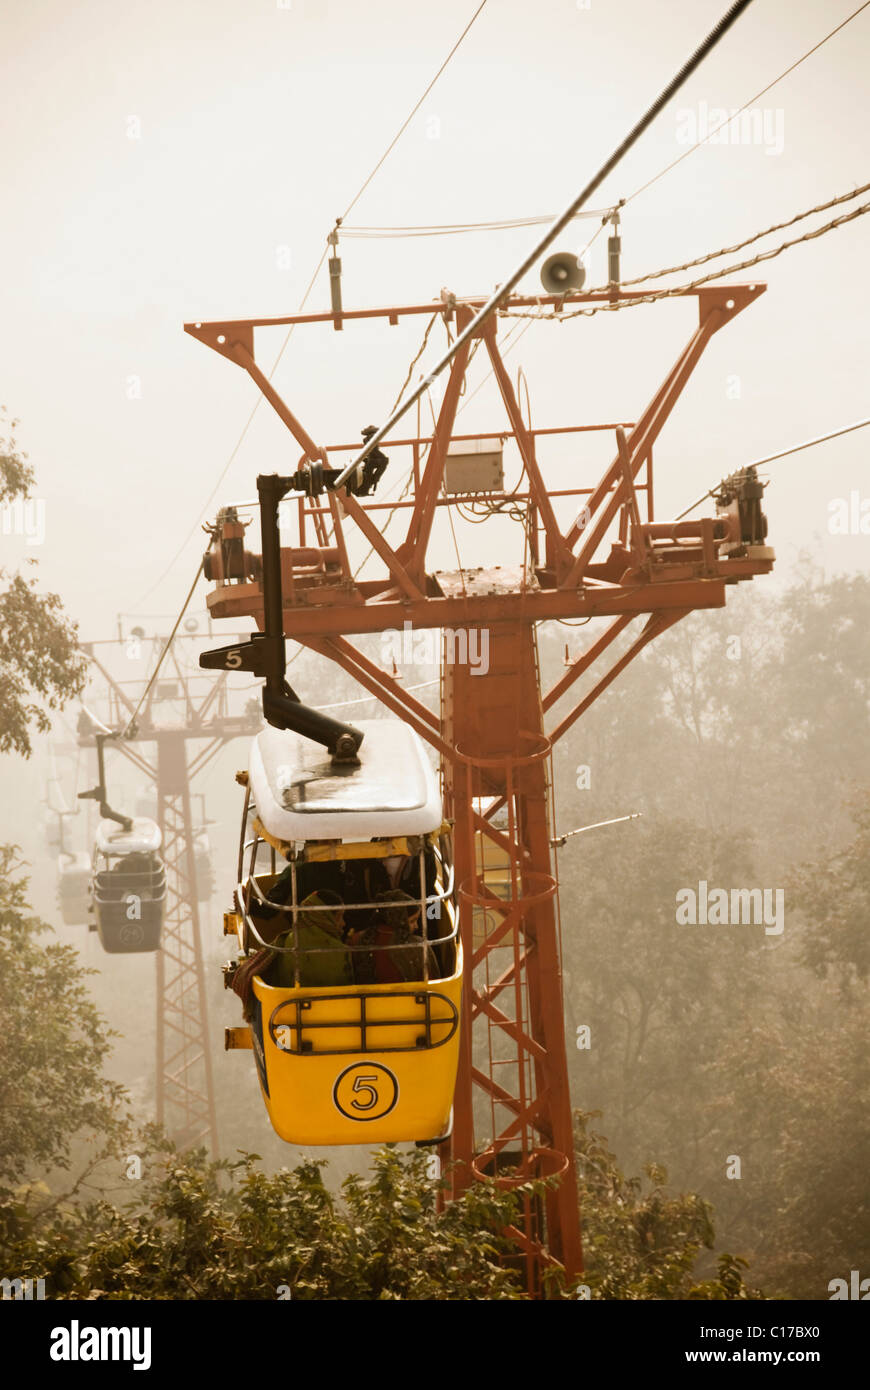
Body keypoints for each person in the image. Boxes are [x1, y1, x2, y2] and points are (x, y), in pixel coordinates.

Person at [349, 890, 440, 985]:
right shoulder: (418, 946)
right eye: (412, 921)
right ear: (400, 920)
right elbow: (431, 983)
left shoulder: (356, 939)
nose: (416, 926)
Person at [268, 889, 353, 989]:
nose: (343, 923)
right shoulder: (339, 951)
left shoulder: (289, 939)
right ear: (324, 916)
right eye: (339, 916)